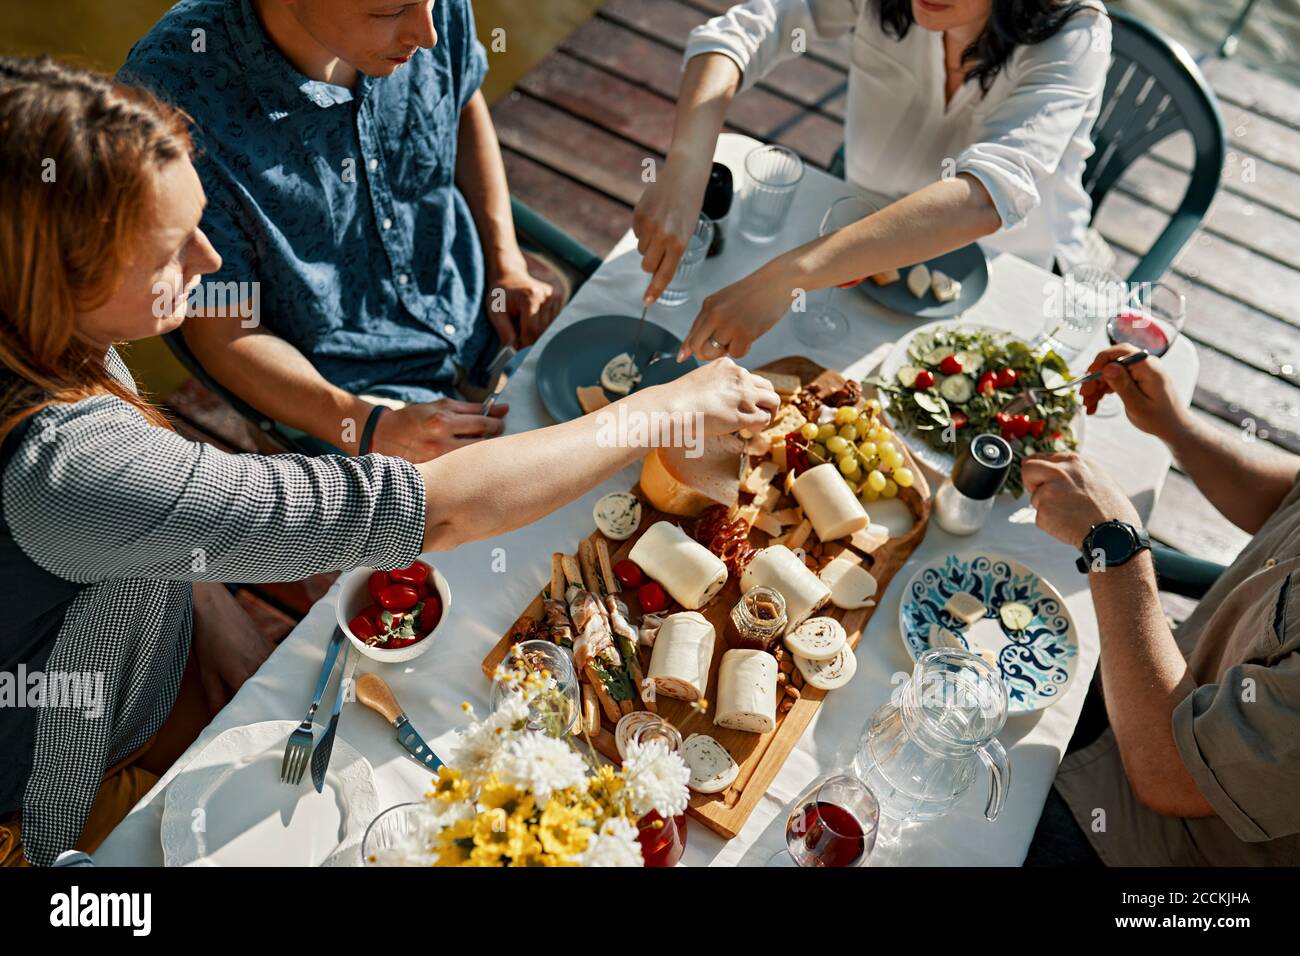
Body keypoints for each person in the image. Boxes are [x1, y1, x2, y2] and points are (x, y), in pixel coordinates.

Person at [0, 57, 779, 865]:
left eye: (199, 225)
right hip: (61, 797)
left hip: (146, 665)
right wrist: (656, 410)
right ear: (56, 277)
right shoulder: (62, 464)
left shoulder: (45, 338)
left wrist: (210, 605)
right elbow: (433, 507)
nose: (208, 264)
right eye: (167, 252)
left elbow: (143, 504)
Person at [119, 0, 563, 461]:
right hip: (349, 405)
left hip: (485, 319)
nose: (428, 34)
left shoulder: (424, 16)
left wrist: (506, 264)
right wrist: (370, 425)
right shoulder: (167, 102)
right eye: (389, 11)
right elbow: (223, 330)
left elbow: (463, 99)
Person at [634, 0, 1110, 361]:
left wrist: (786, 278)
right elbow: (747, 30)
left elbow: (986, 198)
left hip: (1003, 276)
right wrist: (686, 166)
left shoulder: (1075, 32)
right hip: (853, 236)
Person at [1022, 343, 1300, 866]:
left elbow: (1171, 773)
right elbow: (1287, 497)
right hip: (1159, 681)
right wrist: (1177, 428)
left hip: (1147, 845)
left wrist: (1115, 546)